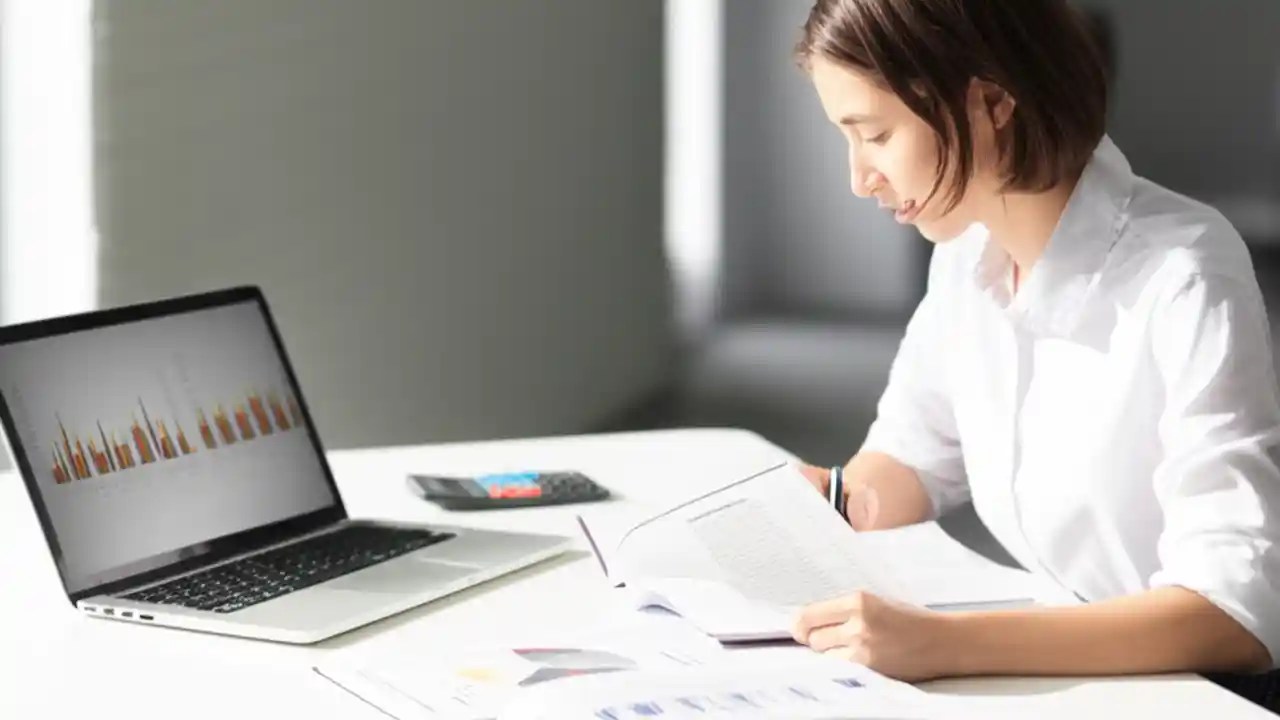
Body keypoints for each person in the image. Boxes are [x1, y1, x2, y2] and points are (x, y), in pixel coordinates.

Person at [785, 0, 1280, 697]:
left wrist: (942, 644)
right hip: (1071, 684)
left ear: (989, 102)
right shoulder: (967, 255)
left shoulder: (1184, 275)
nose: (859, 177)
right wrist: (828, 501)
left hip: (1199, 694)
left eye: (876, 135)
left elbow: (1233, 611)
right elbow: (913, 455)